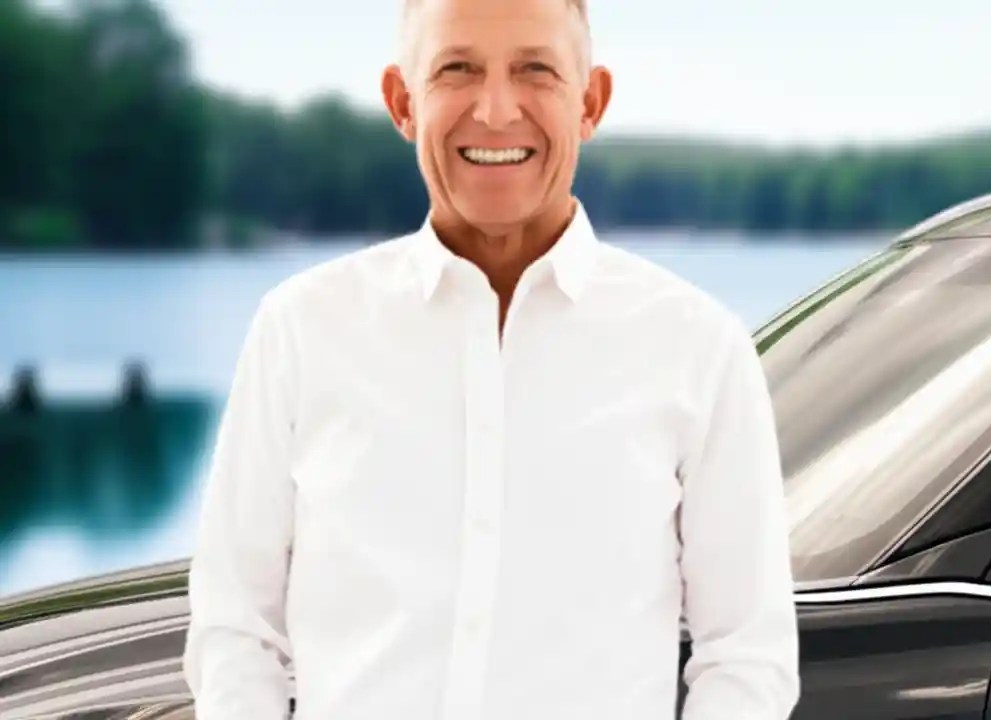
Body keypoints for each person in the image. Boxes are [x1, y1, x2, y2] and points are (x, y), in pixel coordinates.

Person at [180, 0, 800, 717]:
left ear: (590, 101)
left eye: (534, 69)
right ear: (402, 101)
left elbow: (745, 657)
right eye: (457, 69)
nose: (497, 110)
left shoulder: (699, 348)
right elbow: (236, 629)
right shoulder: (300, 331)